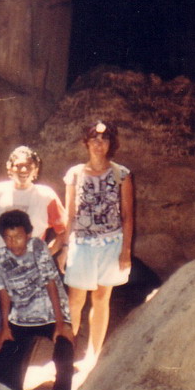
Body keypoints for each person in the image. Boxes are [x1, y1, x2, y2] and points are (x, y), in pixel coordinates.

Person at [0, 146, 66, 378]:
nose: (23, 170)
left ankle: (13, 383)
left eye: (29, 166)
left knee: (24, 326)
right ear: (9, 168)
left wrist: (47, 253)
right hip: (0, 265)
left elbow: (63, 229)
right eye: (18, 165)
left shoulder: (45, 195)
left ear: (36, 170)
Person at [0, 208, 74, 390]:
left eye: (18, 237)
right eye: (8, 238)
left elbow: (51, 284)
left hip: (50, 313)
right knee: (4, 357)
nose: (13, 243)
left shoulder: (38, 248)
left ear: (27, 235)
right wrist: (5, 327)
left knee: (64, 352)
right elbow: (3, 291)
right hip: (21, 318)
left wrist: (60, 323)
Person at [62, 120, 133, 361]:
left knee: (102, 298)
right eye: (94, 139)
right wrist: (63, 247)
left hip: (110, 244)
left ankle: (94, 354)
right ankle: (66, 353)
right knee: (76, 299)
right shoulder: (74, 174)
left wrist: (125, 251)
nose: (99, 144)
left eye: (104, 139)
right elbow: (69, 213)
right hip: (81, 244)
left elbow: (127, 215)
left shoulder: (121, 174)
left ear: (110, 143)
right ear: (86, 143)